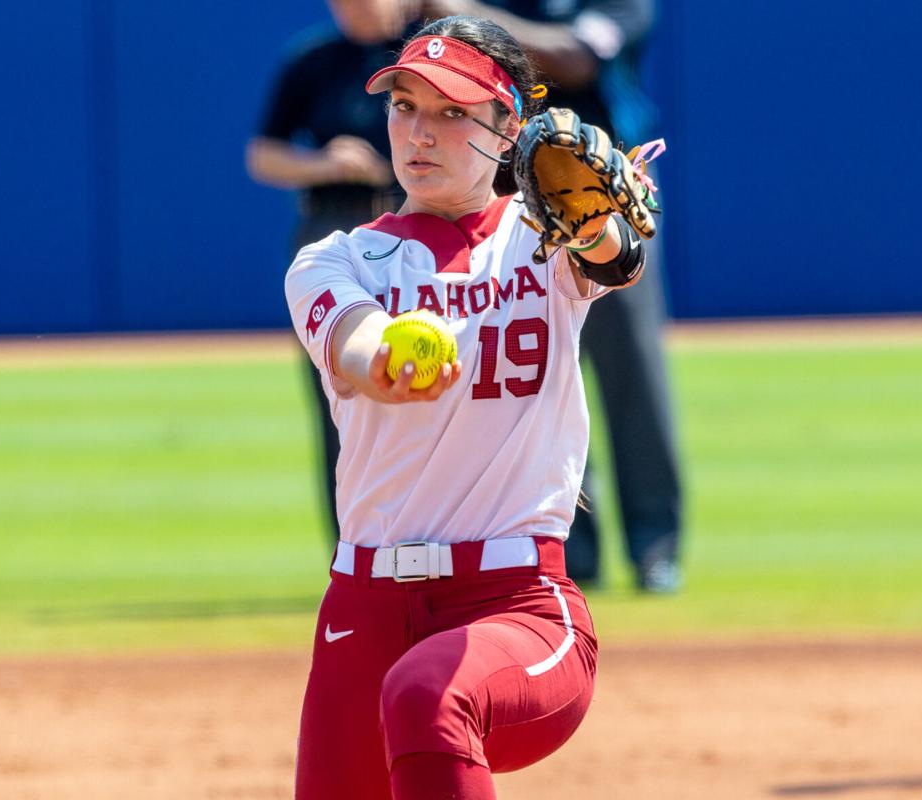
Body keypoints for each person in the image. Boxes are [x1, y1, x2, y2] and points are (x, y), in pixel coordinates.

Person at [284, 14, 654, 799]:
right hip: (364, 610)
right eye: (405, 105)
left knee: (429, 694)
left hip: (517, 605)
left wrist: (597, 225)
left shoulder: (543, 240)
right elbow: (358, 347)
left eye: (453, 111)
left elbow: (613, 256)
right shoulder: (335, 260)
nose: (421, 131)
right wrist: (385, 359)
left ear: (506, 128)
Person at [419, 0, 684, 592]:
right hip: (507, 192)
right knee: (528, 370)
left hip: (606, 191)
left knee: (630, 367)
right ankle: (567, 551)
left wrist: (466, 14)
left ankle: (656, 548)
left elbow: (577, 58)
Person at [247, 0, 417, 539]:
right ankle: (352, 547)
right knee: (338, 396)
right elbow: (263, 155)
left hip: (415, 222)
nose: (353, 7)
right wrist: (323, 163)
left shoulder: (430, 50)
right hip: (332, 227)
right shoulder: (313, 58)